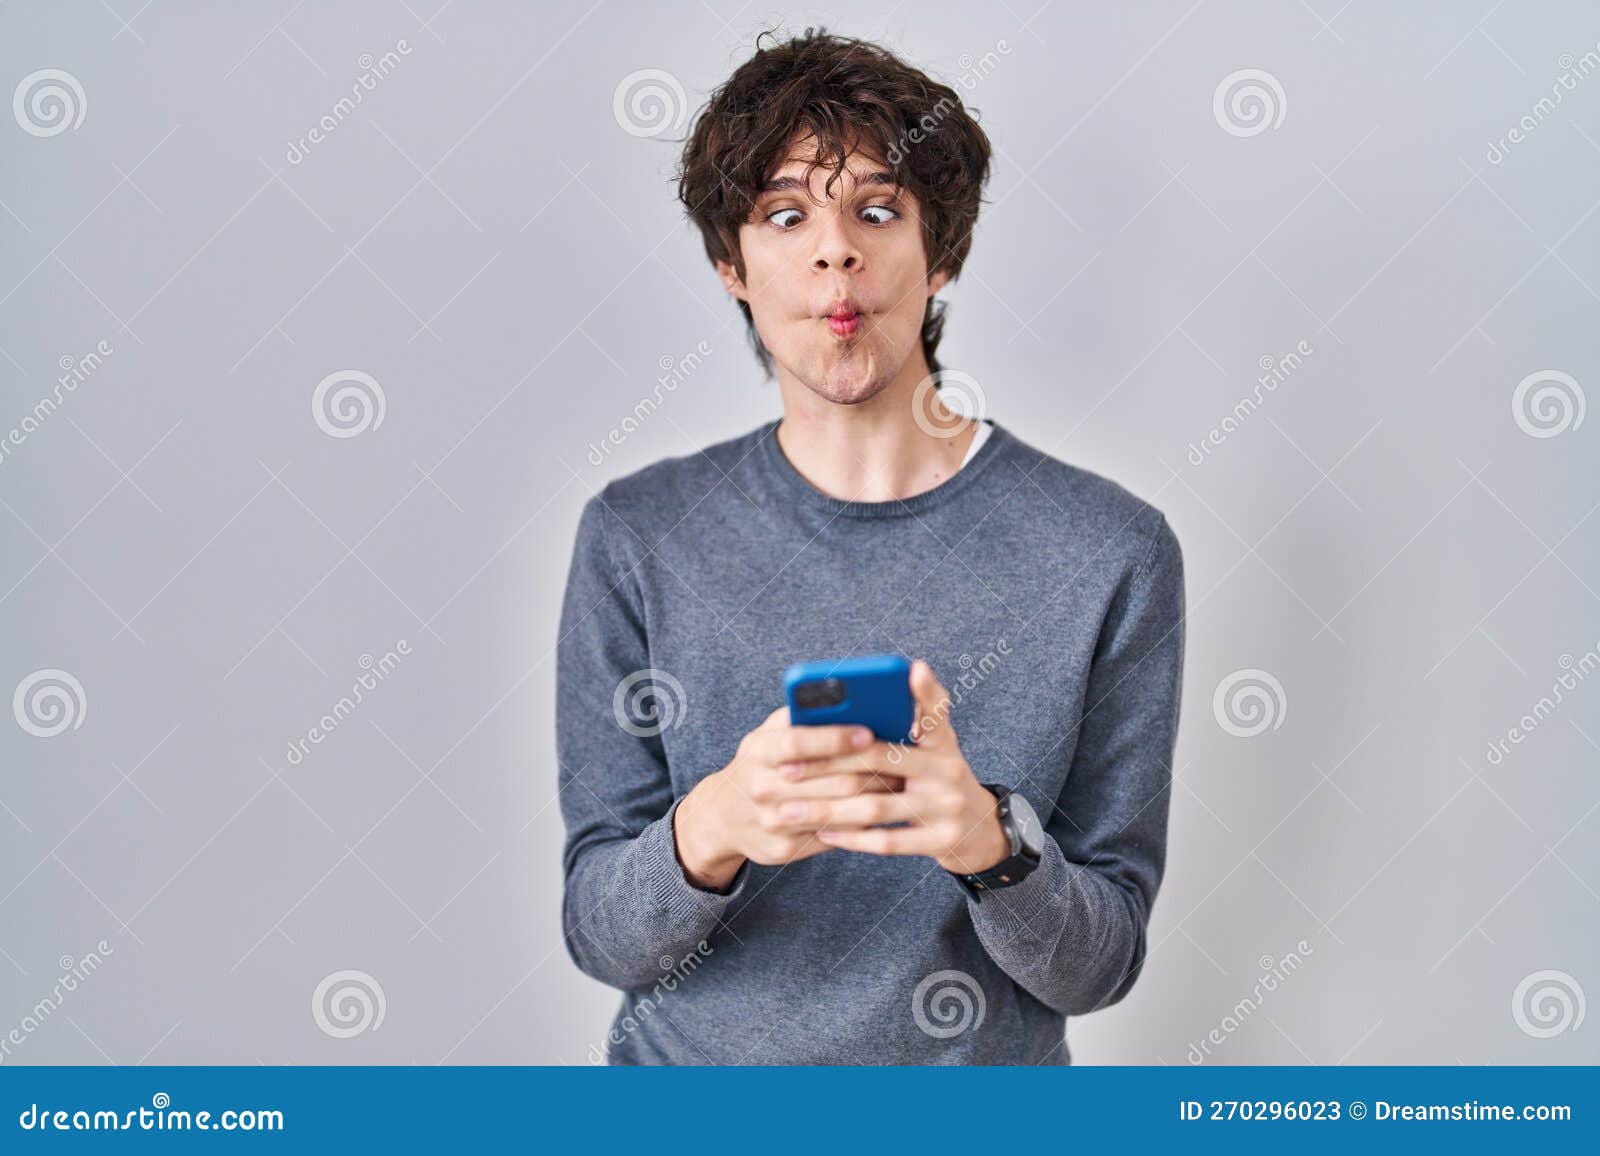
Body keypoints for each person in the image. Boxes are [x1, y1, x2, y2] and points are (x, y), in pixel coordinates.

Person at [557, 28, 1186, 1064]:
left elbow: (1099, 963)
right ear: (731, 265)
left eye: (878, 210)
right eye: (786, 212)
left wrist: (988, 842)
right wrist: (714, 822)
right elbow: (600, 933)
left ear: (940, 255)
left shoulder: (1109, 549)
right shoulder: (638, 536)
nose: (835, 250)